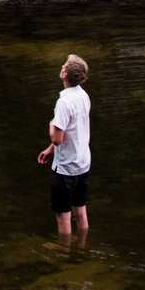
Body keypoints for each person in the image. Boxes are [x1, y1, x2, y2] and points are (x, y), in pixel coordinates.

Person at [36, 53, 91, 235]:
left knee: (63, 216)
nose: (62, 67)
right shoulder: (83, 96)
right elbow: (72, 131)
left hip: (66, 168)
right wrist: (50, 150)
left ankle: (65, 257)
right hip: (83, 164)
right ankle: (82, 246)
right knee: (81, 211)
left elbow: (57, 138)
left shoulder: (64, 102)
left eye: (64, 66)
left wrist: (51, 125)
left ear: (65, 73)